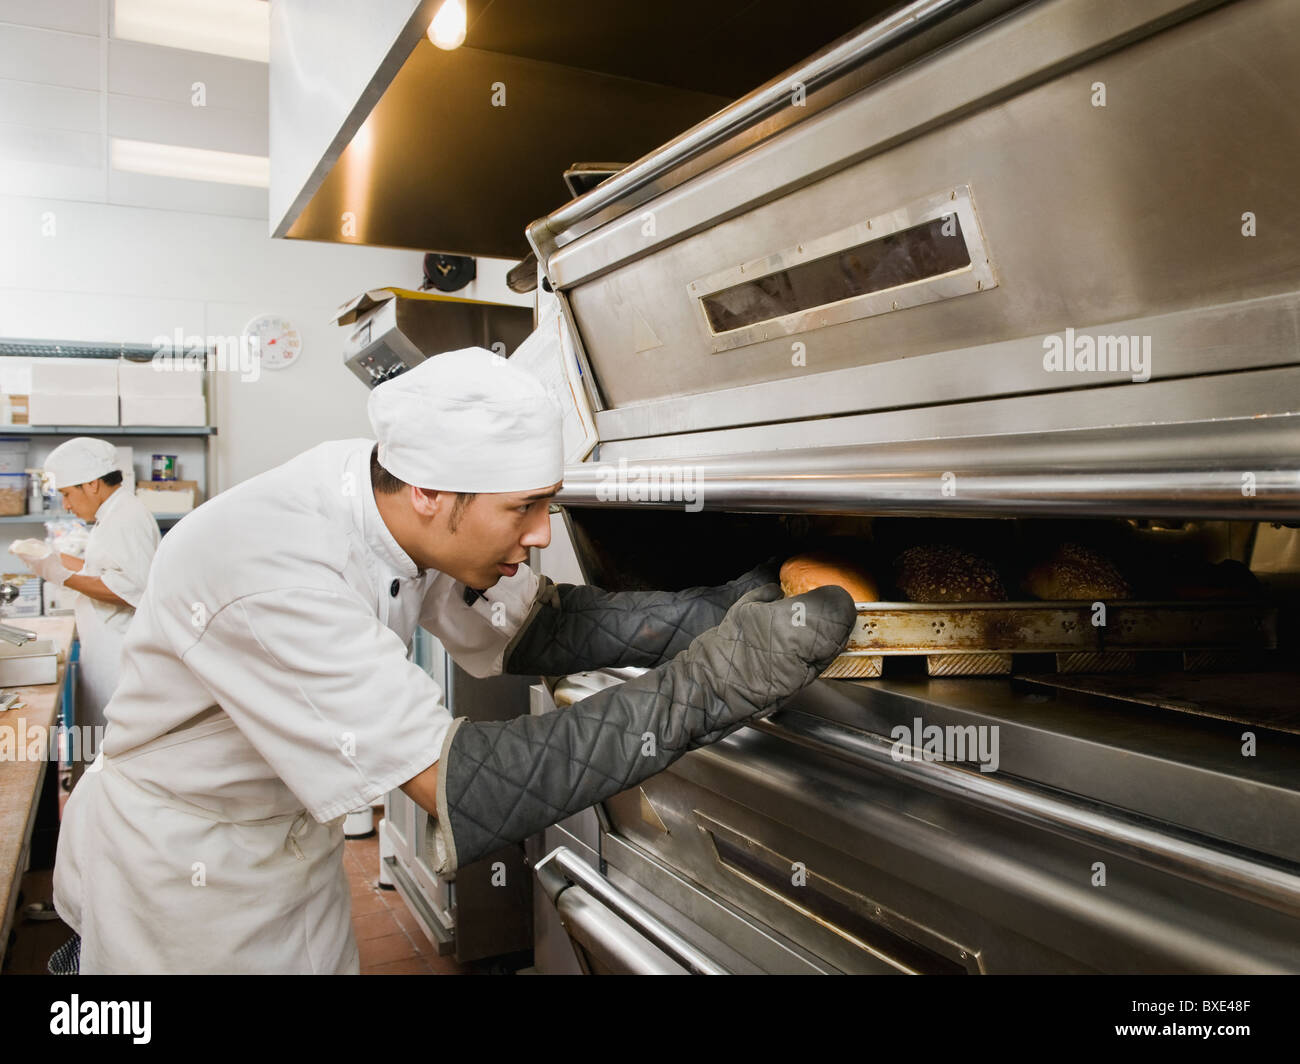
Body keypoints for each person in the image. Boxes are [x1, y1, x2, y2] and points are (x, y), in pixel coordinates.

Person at [52, 347, 855, 974]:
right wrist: (710, 685)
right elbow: (463, 785)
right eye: (524, 509)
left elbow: (539, 628)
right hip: (185, 878)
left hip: (286, 850)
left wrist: (712, 609)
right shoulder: (267, 565)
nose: (542, 534)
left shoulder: (389, 494)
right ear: (433, 495)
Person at [17, 437, 161, 731]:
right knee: (95, 744)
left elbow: (131, 589)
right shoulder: (111, 515)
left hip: (120, 659)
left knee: (108, 750)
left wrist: (60, 575)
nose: (66, 505)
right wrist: (51, 557)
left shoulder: (127, 518)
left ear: (92, 484)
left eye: (67, 494)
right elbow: (97, 570)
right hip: (104, 653)